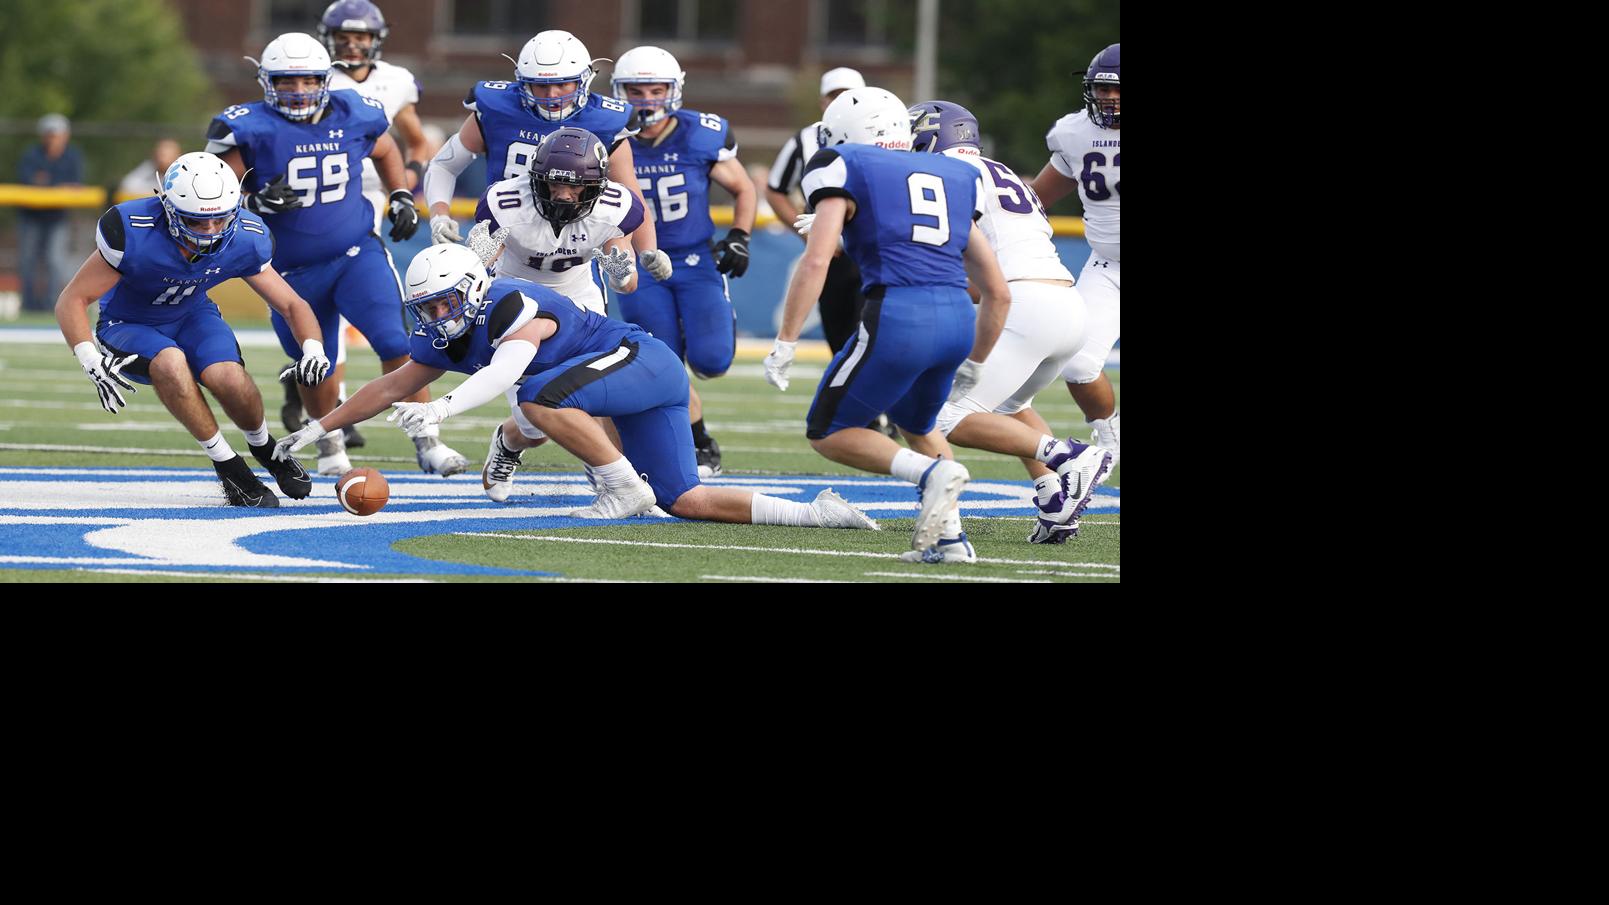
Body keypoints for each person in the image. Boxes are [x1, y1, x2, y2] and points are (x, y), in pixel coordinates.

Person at [273, 244, 879, 534]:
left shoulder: (512, 299)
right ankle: (819, 516)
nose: (436, 315)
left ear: (473, 288)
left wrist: (449, 406)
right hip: (625, 382)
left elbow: (509, 369)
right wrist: (315, 428)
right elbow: (390, 385)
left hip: (641, 361)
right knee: (684, 500)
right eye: (426, 307)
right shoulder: (443, 332)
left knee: (537, 396)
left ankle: (616, 487)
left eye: (444, 301)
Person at [205, 32, 470, 478]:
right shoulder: (247, 126)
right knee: (315, 362)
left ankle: (428, 441)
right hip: (286, 270)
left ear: (325, 79)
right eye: (287, 81)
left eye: (309, 80)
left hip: (355, 253)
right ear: (266, 82)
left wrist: (401, 193)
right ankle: (328, 444)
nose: (299, 91)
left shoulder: (354, 110)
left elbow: (386, 149)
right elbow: (214, 192)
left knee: (397, 343)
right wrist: (255, 201)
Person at [54, 151, 329, 507]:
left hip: (193, 314)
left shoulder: (246, 236)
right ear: (168, 207)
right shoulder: (132, 229)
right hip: (128, 323)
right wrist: (88, 355)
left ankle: (264, 446)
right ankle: (229, 466)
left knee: (229, 378)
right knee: (170, 362)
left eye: (219, 219)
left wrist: (313, 348)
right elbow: (71, 299)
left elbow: (292, 304)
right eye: (196, 222)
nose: (210, 231)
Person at [904, 99, 1111, 547]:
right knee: (1010, 405)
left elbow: (971, 272)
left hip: (1026, 304)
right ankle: (1055, 498)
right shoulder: (998, 170)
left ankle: (1069, 456)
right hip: (1066, 301)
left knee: (942, 417)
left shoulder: (944, 175)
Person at [276, 0, 429, 449]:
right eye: (344, 37)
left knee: (370, 309)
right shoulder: (312, 75)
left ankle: (337, 406)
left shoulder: (396, 81)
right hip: (310, 202)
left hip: (370, 198)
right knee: (325, 311)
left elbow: (414, 141)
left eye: (360, 37)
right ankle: (331, 406)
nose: (352, 45)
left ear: (375, 40)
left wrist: (406, 187)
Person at [422, 29, 669, 289]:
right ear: (522, 82)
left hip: (576, 244)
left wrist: (649, 251)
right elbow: (444, 165)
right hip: (508, 234)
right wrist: (439, 215)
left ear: (583, 80)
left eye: (562, 84)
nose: (552, 95)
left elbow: (630, 194)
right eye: (541, 85)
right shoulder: (497, 109)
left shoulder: (605, 122)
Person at [611, 45, 756, 478]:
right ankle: (698, 440)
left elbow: (744, 189)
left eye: (657, 89)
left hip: (695, 260)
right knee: (663, 362)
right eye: (636, 90)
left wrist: (740, 237)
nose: (647, 99)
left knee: (713, 361)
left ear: (675, 90)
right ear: (620, 92)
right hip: (640, 260)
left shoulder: (701, 133)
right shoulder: (608, 134)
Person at [1028, 43, 1121, 465]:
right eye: (1102, 89)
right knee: (1078, 363)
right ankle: (1110, 439)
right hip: (1108, 269)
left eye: (1118, 90)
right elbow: (1037, 197)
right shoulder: (1075, 132)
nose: (1109, 98)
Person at [465, 127, 650, 317]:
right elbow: (471, 275)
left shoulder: (614, 210)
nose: (563, 196)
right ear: (537, 180)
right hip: (513, 286)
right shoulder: (506, 205)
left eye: (574, 185)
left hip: (577, 292)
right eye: (554, 183)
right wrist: (475, 261)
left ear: (595, 187)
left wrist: (620, 277)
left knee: (595, 344)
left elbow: (629, 286)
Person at [764, 69, 866, 357]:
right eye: (834, 95)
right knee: (839, 336)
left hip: (871, 251)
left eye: (849, 95)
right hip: (830, 254)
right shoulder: (806, 140)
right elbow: (775, 189)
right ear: (823, 101)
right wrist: (806, 230)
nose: (842, 101)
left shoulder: (879, 134)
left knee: (869, 335)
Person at [16, 114, 85, 312]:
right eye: (49, 134)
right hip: (31, 216)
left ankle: (52, 304)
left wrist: (48, 184)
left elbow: (75, 185)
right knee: (27, 261)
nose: (53, 138)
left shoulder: (72, 156)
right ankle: (28, 305)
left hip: (57, 218)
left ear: (65, 136)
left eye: (56, 134)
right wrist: (57, 186)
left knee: (55, 260)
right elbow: (27, 181)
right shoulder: (32, 155)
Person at [116, 138, 182, 199]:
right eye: (160, 154)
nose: (161, 159)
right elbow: (128, 185)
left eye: (166, 155)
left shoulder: (183, 172)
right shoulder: (148, 169)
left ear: (177, 156)